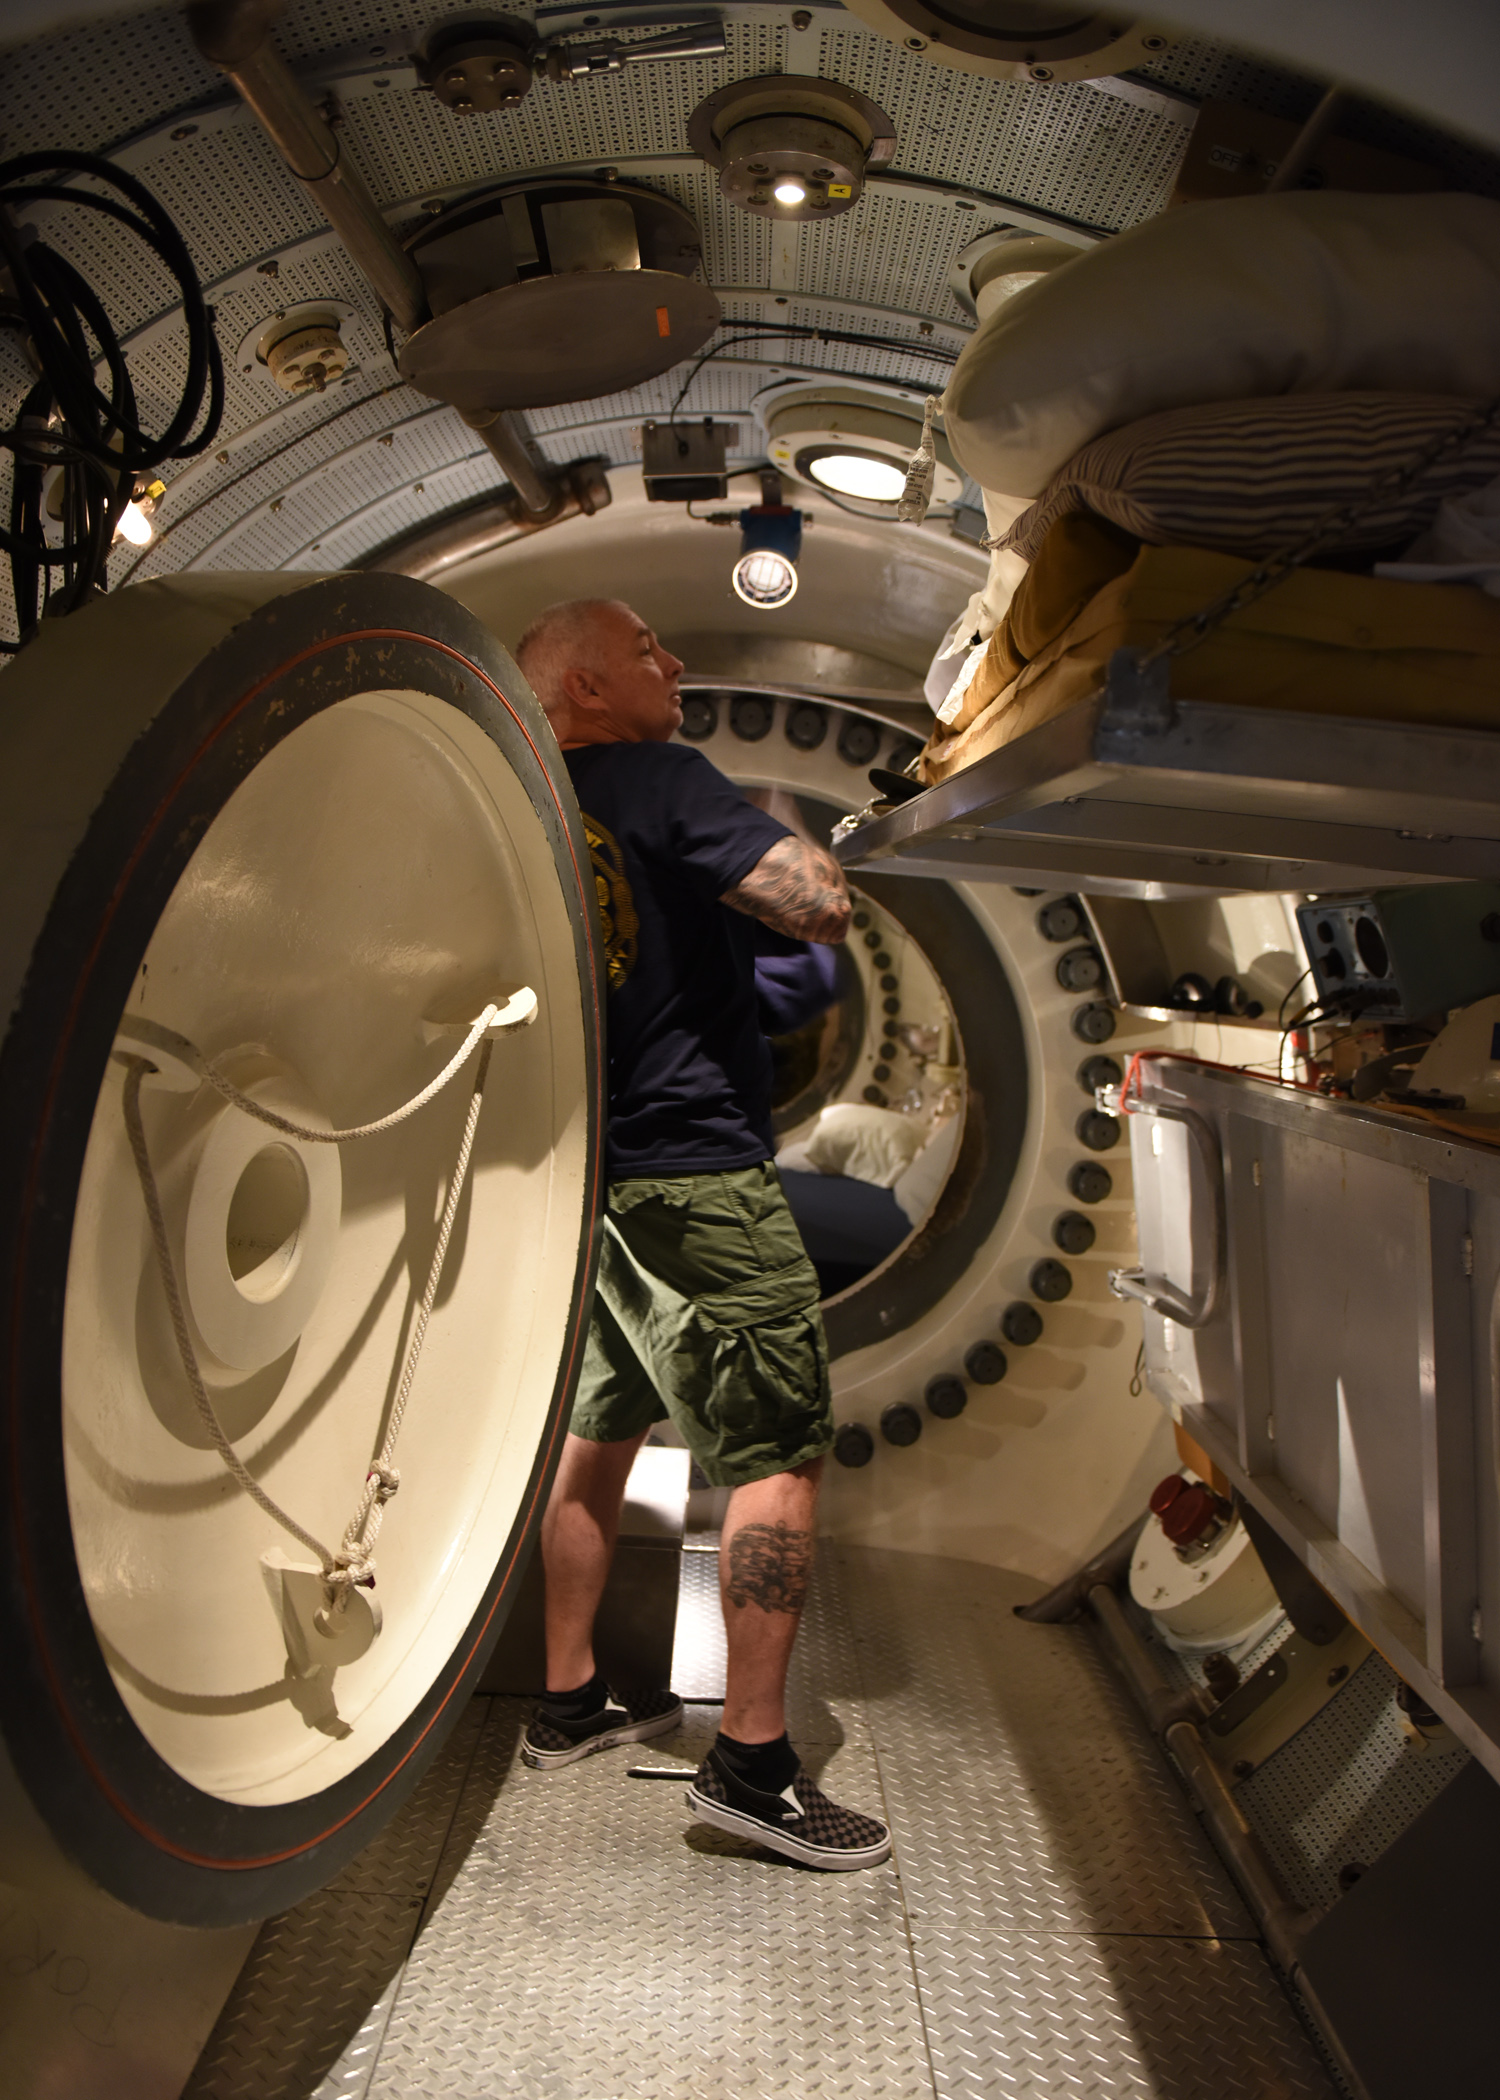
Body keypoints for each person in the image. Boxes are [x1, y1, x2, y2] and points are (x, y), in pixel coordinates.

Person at [512, 597, 891, 1873]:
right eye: (646, 653)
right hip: (698, 1172)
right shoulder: (659, 777)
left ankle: (565, 1707)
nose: (672, 664)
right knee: (777, 1455)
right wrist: (786, 848)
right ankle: (752, 1766)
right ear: (582, 686)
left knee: (597, 1434)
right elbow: (820, 908)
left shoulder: (519, 799)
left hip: (592, 1181)